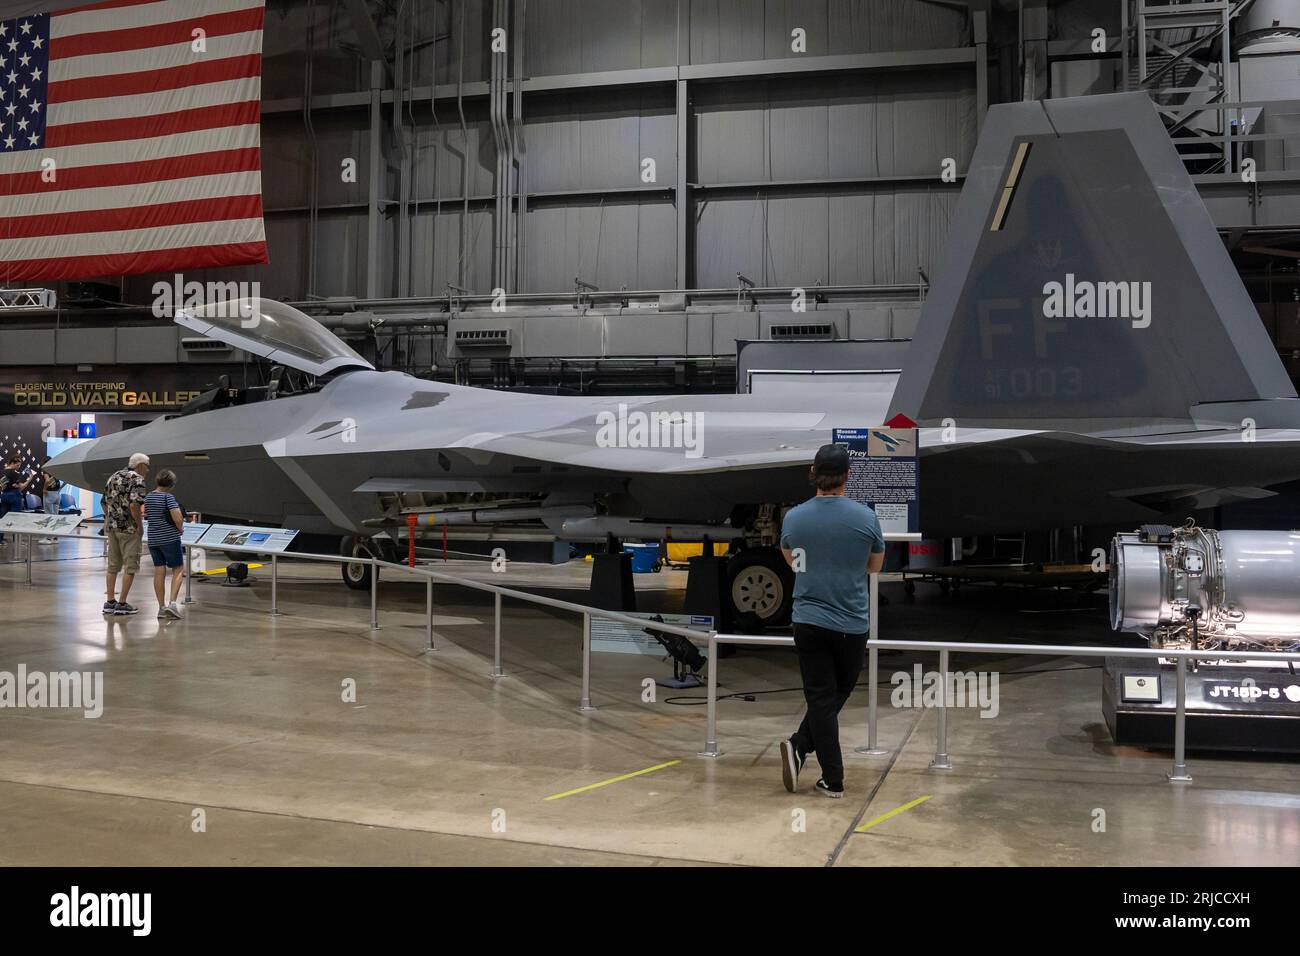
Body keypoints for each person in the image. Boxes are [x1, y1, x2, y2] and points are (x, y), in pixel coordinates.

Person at [777, 443, 885, 798]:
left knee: (823, 697)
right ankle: (833, 778)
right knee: (836, 693)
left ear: (813, 473)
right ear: (848, 476)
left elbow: (790, 559)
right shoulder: (866, 518)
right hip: (852, 623)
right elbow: (875, 567)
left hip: (808, 620)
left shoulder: (794, 517)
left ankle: (798, 745)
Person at [103, 453, 150, 616]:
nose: (148, 470)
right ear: (140, 465)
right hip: (129, 529)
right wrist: (139, 525)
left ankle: (110, 602)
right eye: (147, 466)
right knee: (130, 566)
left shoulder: (113, 476)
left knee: (113, 565)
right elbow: (134, 506)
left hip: (112, 527)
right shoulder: (137, 479)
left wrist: (111, 518)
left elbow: (104, 501)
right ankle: (122, 603)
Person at [145, 469, 186, 620]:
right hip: (169, 538)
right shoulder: (168, 497)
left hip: (153, 539)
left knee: (159, 571)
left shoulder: (149, 496)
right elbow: (177, 518)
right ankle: (173, 604)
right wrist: (180, 529)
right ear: (171, 484)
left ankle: (161, 607)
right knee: (178, 569)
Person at [0, 455, 33, 547]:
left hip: (4, 495)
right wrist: (29, 479)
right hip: (14, 496)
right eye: (17, 465)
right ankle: (17, 540)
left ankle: (0, 540)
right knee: (15, 518)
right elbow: (21, 487)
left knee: (2, 518)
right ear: (12, 463)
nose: (18, 467)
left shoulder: (2, 472)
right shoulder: (14, 473)